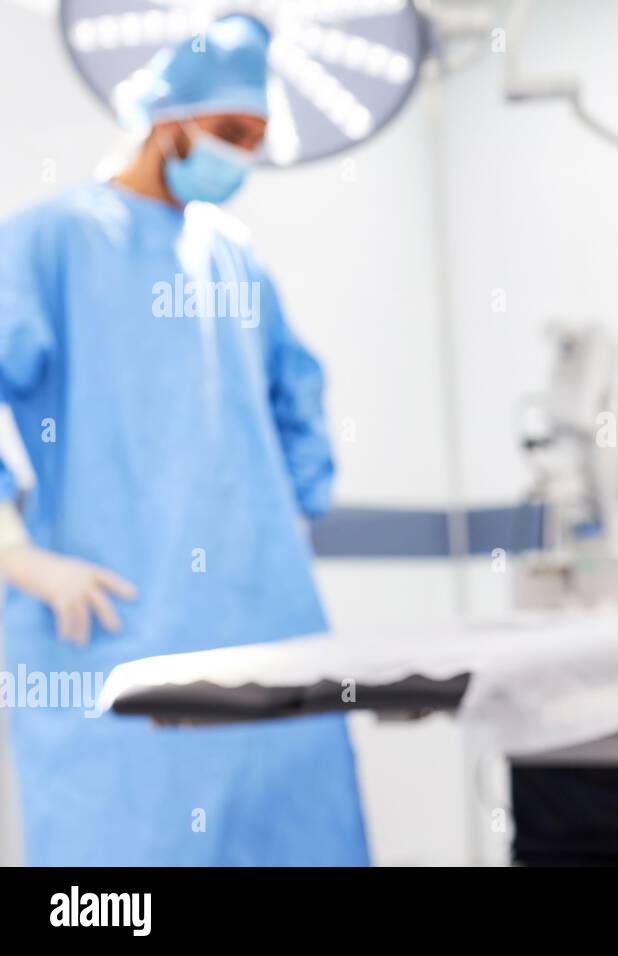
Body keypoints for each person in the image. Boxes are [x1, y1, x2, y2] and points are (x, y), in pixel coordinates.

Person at [0, 14, 369, 865]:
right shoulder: (53, 240)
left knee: (294, 828)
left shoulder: (233, 257)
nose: (242, 157)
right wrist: (18, 554)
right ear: (170, 120)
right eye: (232, 132)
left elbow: (298, 394)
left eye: (257, 140)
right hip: (112, 624)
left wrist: (275, 520)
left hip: (262, 618)